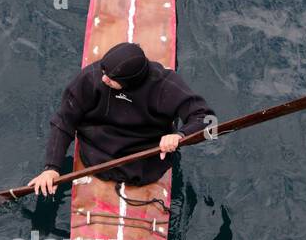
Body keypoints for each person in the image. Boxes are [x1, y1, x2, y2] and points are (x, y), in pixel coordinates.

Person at [29, 42, 214, 196]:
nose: (103, 79)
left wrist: (181, 135)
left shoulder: (166, 85)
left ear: (130, 81)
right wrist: (51, 167)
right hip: (95, 152)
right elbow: (64, 121)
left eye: (111, 78)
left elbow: (207, 121)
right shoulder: (92, 77)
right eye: (103, 71)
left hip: (145, 157)